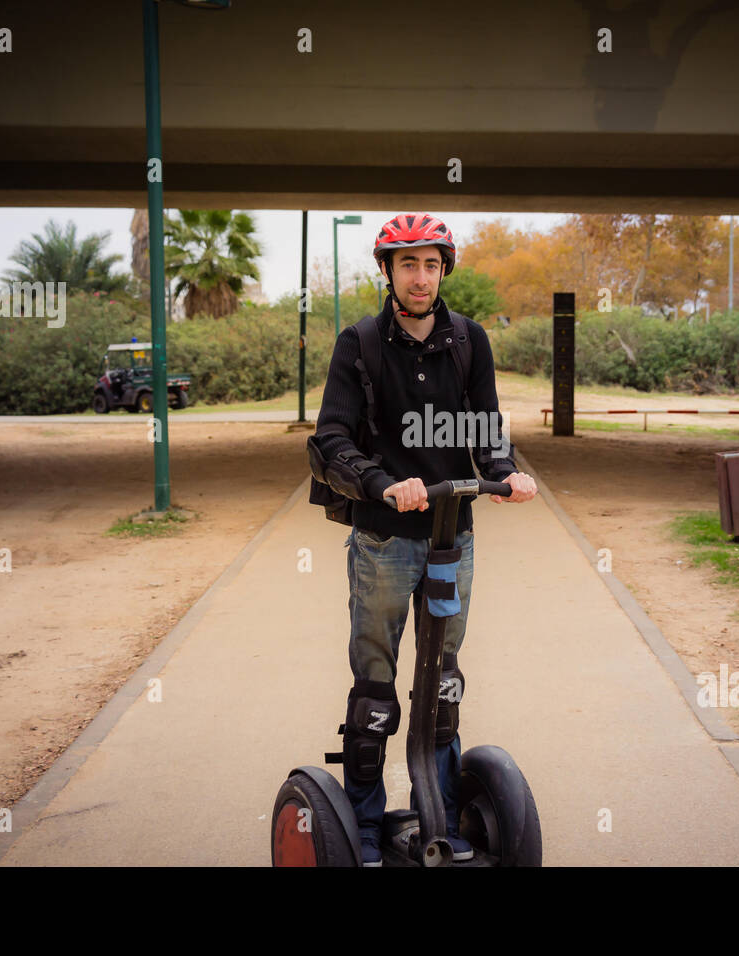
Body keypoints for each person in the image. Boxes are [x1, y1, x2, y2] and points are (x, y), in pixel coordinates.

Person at [311, 213, 536, 865]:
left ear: (445, 271)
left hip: (451, 540)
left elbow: (487, 430)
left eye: (432, 264)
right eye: (408, 263)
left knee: (443, 682)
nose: (421, 276)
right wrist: (383, 483)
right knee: (376, 682)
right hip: (385, 540)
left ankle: (440, 819)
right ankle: (368, 826)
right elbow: (332, 440)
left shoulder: (469, 341)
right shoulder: (358, 345)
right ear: (386, 271)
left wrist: (505, 473)